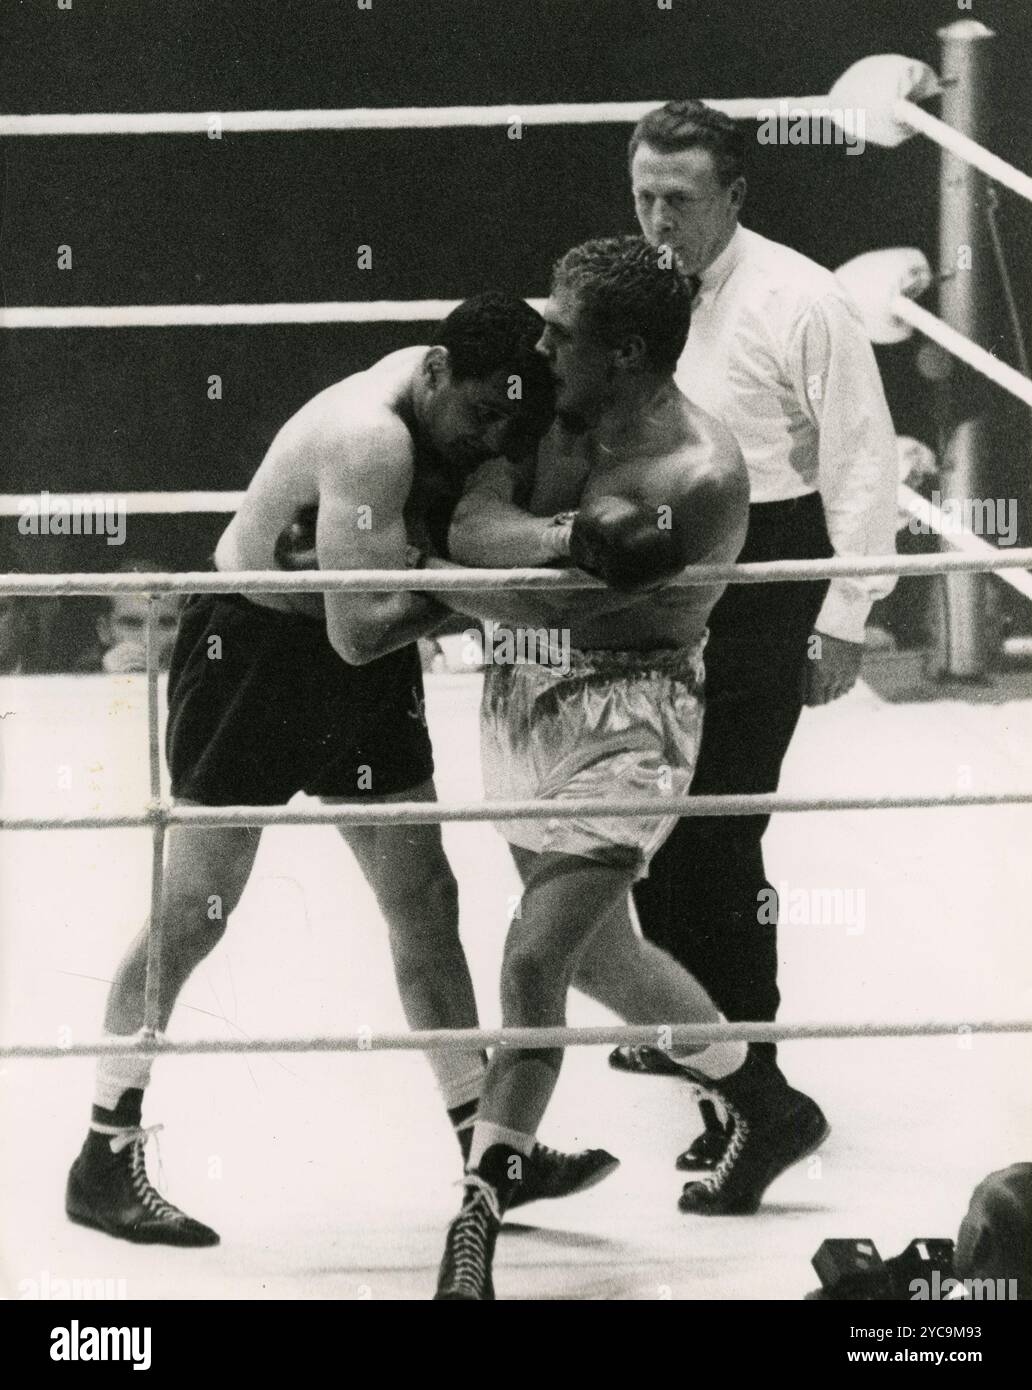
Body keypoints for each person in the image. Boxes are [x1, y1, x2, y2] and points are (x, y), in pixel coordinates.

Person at [65, 294, 614, 1248]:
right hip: (254, 657)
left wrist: (440, 567)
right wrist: (482, 592)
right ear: (437, 372)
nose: (491, 437)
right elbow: (360, 632)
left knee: (424, 896)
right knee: (195, 912)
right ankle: (103, 1153)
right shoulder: (371, 438)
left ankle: (489, 1152)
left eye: (507, 418)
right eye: (480, 413)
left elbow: (378, 612)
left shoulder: (452, 392)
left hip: (348, 667)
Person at [430, 237, 826, 1302]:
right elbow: (473, 520)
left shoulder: (695, 476)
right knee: (606, 963)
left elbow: (555, 600)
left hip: (631, 722)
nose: (542, 340)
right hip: (518, 697)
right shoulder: (545, 406)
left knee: (530, 962)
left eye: (566, 330)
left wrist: (417, 581)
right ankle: (767, 1099)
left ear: (631, 351)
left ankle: (475, 1220)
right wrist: (552, 534)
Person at [609, 101, 898, 1171]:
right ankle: (706, 1063)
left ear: (735, 194)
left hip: (763, 571)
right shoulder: (626, 292)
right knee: (647, 824)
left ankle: (756, 1084)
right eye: (642, 194)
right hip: (651, 562)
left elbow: (863, 462)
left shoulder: (801, 300)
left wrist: (846, 615)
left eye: (679, 200)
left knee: (721, 832)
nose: (656, 219)